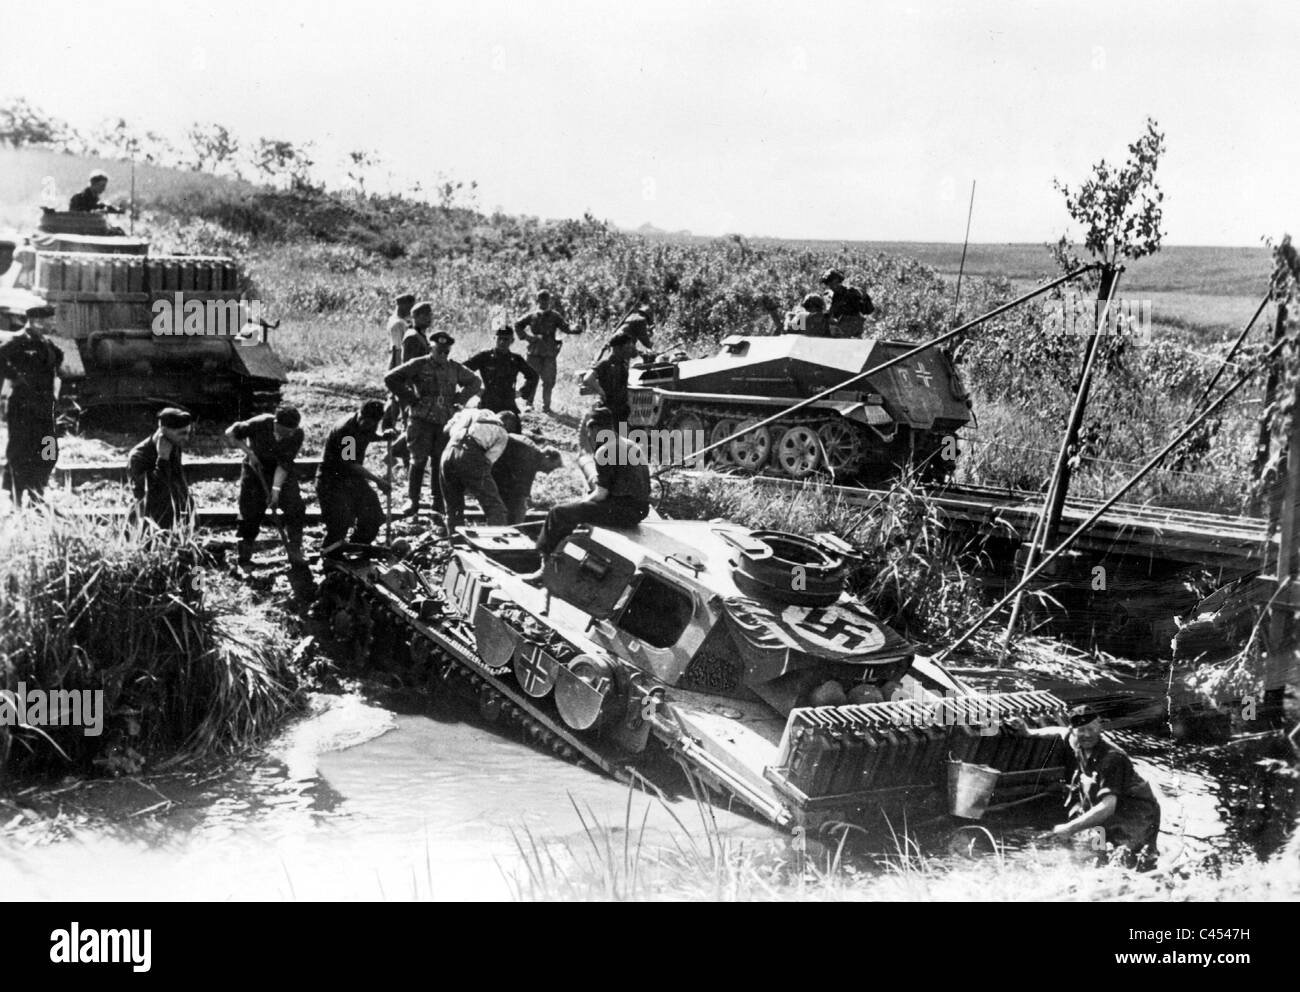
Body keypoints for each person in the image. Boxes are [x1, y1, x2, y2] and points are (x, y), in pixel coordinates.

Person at [1014, 703, 1162, 869]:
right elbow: (1059, 731)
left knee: (1131, 860)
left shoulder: (1112, 759)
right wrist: (1029, 732)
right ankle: (1098, 868)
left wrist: (1069, 829)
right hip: (1103, 814)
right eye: (1081, 730)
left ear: (1100, 727)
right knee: (1097, 853)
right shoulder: (1075, 741)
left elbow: (1108, 807)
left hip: (1136, 814)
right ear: (1073, 731)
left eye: (1092, 729)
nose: (1087, 735)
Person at [385, 332, 481, 519]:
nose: (443, 355)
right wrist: (411, 399)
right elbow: (391, 378)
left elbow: (475, 382)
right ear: (431, 348)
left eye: (446, 351)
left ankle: (437, 501)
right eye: (439, 351)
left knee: (439, 461)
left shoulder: (454, 368)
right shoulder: (419, 364)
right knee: (418, 459)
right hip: (421, 420)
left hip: (444, 423)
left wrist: (459, 400)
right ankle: (413, 500)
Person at [533, 406, 651, 558]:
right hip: (640, 510)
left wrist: (581, 503)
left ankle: (543, 562)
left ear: (595, 429)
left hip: (623, 512)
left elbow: (601, 494)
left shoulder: (605, 450)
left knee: (558, 513)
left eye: (589, 430)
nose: (588, 435)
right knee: (574, 510)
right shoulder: (630, 444)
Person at [225, 404, 307, 567]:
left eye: (292, 430)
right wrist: (250, 452)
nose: (289, 434)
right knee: (250, 511)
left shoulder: (296, 434)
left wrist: (275, 491)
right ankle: (244, 556)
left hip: (280, 472)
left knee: (296, 507)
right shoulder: (259, 423)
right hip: (255, 471)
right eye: (285, 430)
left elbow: (284, 465)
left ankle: (295, 550)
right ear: (276, 423)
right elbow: (231, 433)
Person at [0, 304, 63, 504]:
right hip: (22, 406)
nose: (52, 323)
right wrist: (13, 377)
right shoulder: (16, 341)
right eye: (48, 320)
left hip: (45, 406)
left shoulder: (49, 345)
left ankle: (38, 490)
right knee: (21, 451)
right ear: (36, 321)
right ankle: (17, 496)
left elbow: (57, 366)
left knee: (49, 450)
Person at [317, 400, 392, 553]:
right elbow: (350, 463)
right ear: (360, 414)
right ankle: (330, 557)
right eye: (365, 421)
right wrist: (378, 481)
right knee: (340, 522)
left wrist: (383, 437)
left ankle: (356, 549)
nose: (368, 426)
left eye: (373, 424)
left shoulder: (367, 424)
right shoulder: (346, 430)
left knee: (373, 515)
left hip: (352, 479)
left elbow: (367, 435)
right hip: (332, 481)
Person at [439, 407, 509, 531]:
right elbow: (488, 461)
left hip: (448, 452)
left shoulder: (471, 412)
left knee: (453, 507)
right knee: (495, 507)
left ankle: (455, 544)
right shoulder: (503, 433)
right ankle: (496, 547)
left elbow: (446, 429)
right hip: (471, 455)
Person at [514, 290, 581, 413]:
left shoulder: (555, 316)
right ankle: (529, 403)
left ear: (549, 301)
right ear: (538, 300)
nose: (544, 301)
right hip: (534, 351)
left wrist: (575, 329)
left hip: (549, 352)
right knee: (532, 378)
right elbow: (517, 324)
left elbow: (566, 327)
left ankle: (546, 406)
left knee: (549, 380)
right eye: (541, 299)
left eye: (546, 299)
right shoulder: (532, 316)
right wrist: (528, 338)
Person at [127, 407, 194, 529]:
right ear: (163, 430)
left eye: (188, 432)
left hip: (174, 518)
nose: (187, 438)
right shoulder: (138, 456)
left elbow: (179, 483)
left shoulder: (174, 444)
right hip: (151, 523)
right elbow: (153, 491)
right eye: (182, 433)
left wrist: (192, 514)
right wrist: (163, 459)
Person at [464, 325, 540, 416]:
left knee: (513, 427)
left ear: (512, 341)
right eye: (499, 338)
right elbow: (462, 370)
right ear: (495, 338)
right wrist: (475, 389)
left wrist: (522, 392)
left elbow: (533, 376)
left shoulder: (516, 359)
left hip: (508, 403)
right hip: (488, 402)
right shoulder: (485, 356)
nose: (501, 342)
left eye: (506, 339)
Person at [493, 434, 563, 524]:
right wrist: (519, 524)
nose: (548, 472)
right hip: (490, 458)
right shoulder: (530, 460)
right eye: (552, 468)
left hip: (495, 459)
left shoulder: (532, 450)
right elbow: (521, 496)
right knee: (512, 505)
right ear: (547, 457)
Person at [580, 332, 637, 426]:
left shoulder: (623, 364)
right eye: (627, 348)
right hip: (609, 409)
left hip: (622, 410)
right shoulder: (605, 363)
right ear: (617, 349)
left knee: (624, 436)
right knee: (611, 438)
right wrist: (601, 392)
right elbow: (588, 379)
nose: (629, 351)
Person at [821, 268, 874, 338]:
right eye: (829, 283)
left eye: (834, 282)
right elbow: (826, 315)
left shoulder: (852, 293)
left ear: (839, 281)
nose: (832, 286)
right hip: (836, 331)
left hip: (852, 330)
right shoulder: (828, 296)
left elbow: (868, 310)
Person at [386, 293, 416, 370]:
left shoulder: (397, 320)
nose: (411, 310)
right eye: (410, 306)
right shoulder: (397, 324)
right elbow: (398, 349)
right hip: (399, 361)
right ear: (402, 305)